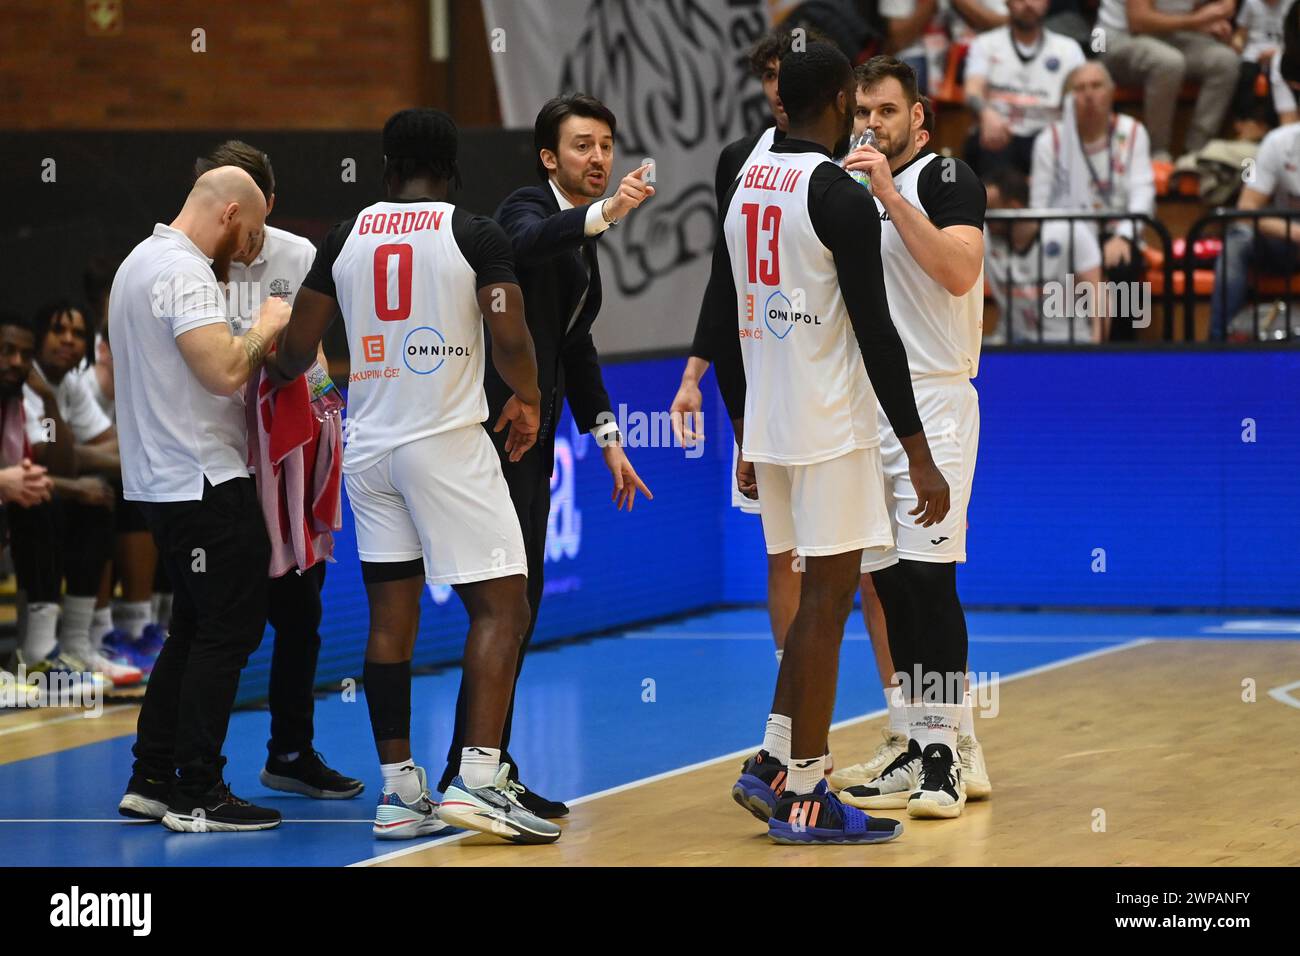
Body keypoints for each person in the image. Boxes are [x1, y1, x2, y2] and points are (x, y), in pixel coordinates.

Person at [272, 108, 560, 844]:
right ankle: (481, 777)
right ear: (453, 168)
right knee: (504, 607)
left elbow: (296, 347)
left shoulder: (342, 237)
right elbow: (508, 331)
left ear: (385, 167)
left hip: (370, 452)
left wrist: (325, 383)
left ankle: (401, 793)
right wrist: (526, 397)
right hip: (446, 444)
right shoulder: (474, 233)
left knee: (390, 625)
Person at [702, 41, 951, 843]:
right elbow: (877, 335)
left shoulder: (744, 179)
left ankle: (774, 759)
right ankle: (809, 791)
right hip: (830, 424)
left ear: (781, 103)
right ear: (844, 100)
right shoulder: (838, 196)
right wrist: (916, 449)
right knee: (827, 603)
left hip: (771, 421)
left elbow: (731, 312)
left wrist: (741, 428)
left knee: (815, 601)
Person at [436, 94, 655, 817]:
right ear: (549, 157)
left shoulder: (579, 233)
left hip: (538, 442)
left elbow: (574, 342)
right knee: (504, 607)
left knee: (515, 609)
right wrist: (604, 215)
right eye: (583, 146)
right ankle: (470, 769)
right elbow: (527, 243)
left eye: (606, 146)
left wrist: (610, 439)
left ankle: (485, 762)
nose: (599, 159)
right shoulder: (525, 209)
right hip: (501, 435)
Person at [114, 166, 291, 832]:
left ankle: (153, 777)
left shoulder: (137, 263)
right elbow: (221, 371)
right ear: (227, 213)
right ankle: (199, 792)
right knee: (228, 631)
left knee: (193, 629)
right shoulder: (185, 272)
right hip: (204, 481)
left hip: (163, 484)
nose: (248, 251)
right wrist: (268, 322)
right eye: (249, 234)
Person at [836, 55, 990, 818]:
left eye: (887, 112)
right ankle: (935, 739)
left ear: (918, 118)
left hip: (936, 401)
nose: (872, 125)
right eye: (862, 111)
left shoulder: (946, 178)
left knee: (931, 582)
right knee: (891, 585)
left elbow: (959, 271)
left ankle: (943, 756)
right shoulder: (845, 189)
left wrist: (891, 194)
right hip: (868, 408)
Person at [194, 139, 363, 801]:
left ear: (270, 202)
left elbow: (314, 355)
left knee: (301, 613)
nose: (230, 216)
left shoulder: (300, 255)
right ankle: (185, 768)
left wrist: (323, 421)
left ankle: (290, 751)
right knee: (217, 621)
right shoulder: (185, 261)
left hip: (291, 460)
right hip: (220, 464)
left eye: (246, 204)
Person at [12, 303, 137, 688]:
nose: (69, 340)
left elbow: (111, 444)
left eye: (78, 333)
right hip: (20, 493)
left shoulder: (67, 382)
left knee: (99, 499)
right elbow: (51, 457)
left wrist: (86, 467)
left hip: (33, 483)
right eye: (58, 330)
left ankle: (79, 645)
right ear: (37, 338)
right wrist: (81, 471)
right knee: (48, 499)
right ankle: (37, 654)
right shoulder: (26, 382)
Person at [1030, 60, 1155, 339]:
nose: (1088, 94)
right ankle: (1066, 355)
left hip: (1115, 232)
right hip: (1068, 233)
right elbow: (1039, 206)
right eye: (1079, 88)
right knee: (1056, 268)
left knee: (1123, 267)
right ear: (1068, 97)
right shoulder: (1049, 140)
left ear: (1111, 93)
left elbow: (1142, 193)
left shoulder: (1132, 132)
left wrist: (1124, 236)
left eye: (1096, 86)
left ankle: (1121, 356)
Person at [1098, 0, 1241, 163]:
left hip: (1172, 36)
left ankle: (1196, 155)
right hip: (1120, 38)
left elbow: (1209, 8)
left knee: (1225, 61)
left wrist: (1212, 21)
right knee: (1169, 63)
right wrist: (1196, 21)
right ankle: (1157, 154)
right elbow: (1138, 21)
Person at [963, 0, 1087, 174]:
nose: (1028, 4)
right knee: (985, 141)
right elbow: (972, 91)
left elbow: (1080, 97)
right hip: (1001, 130)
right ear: (1007, 3)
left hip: (1048, 133)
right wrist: (986, 113)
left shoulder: (1068, 49)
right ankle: (994, 195)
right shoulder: (985, 44)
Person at [986, 164, 1107, 342]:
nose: (983, 216)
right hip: (1012, 340)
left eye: (989, 209)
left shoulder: (1070, 230)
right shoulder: (981, 235)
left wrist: (1095, 352)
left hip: (1068, 342)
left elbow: (1099, 292)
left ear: (1013, 206)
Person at [1209, 117, 1300, 339]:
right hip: (1288, 241)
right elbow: (1247, 209)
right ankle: (1218, 346)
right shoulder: (1279, 141)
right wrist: (1297, 233)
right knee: (1237, 240)